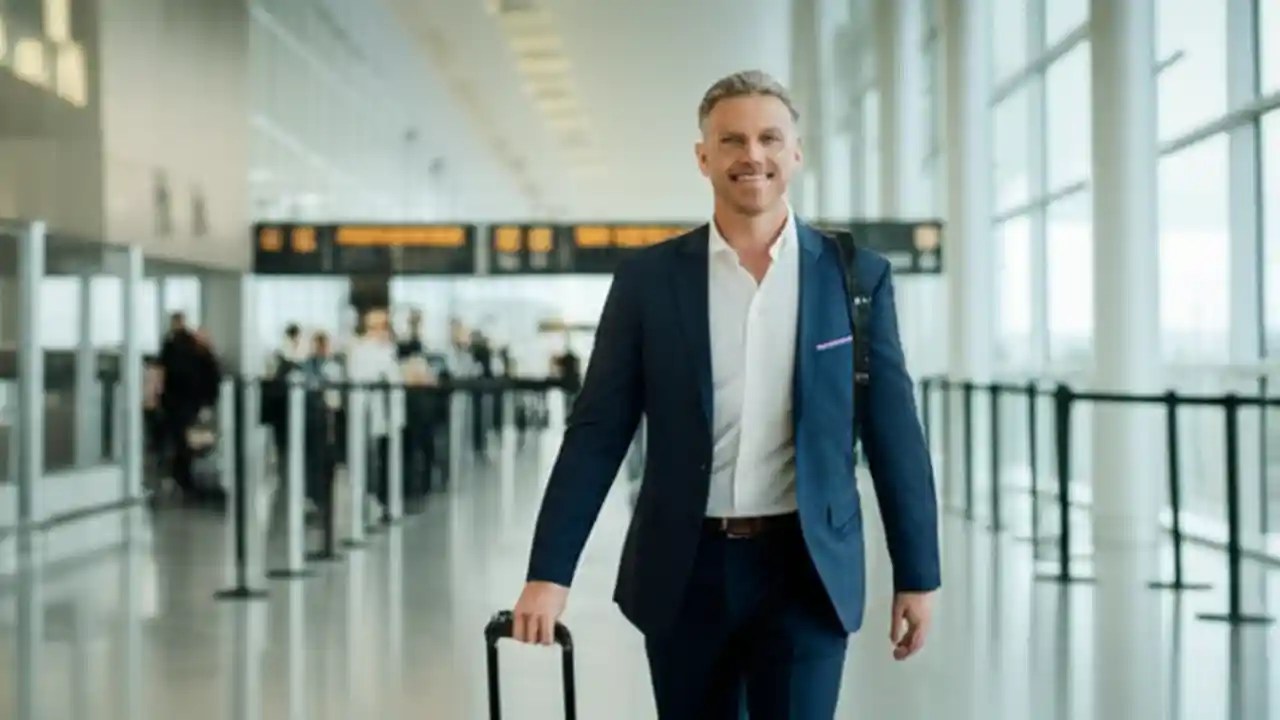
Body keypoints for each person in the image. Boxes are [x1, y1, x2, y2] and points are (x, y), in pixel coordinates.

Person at [511, 70, 940, 719]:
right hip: (685, 568)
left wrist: (918, 573)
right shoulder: (649, 280)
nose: (753, 155)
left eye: (770, 138)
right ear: (703, 156)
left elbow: (893, 432)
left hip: (807, 571)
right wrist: (549, 573)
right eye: (732, 140)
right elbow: (598, 432)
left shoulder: (855, 279)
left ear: (796, 152)